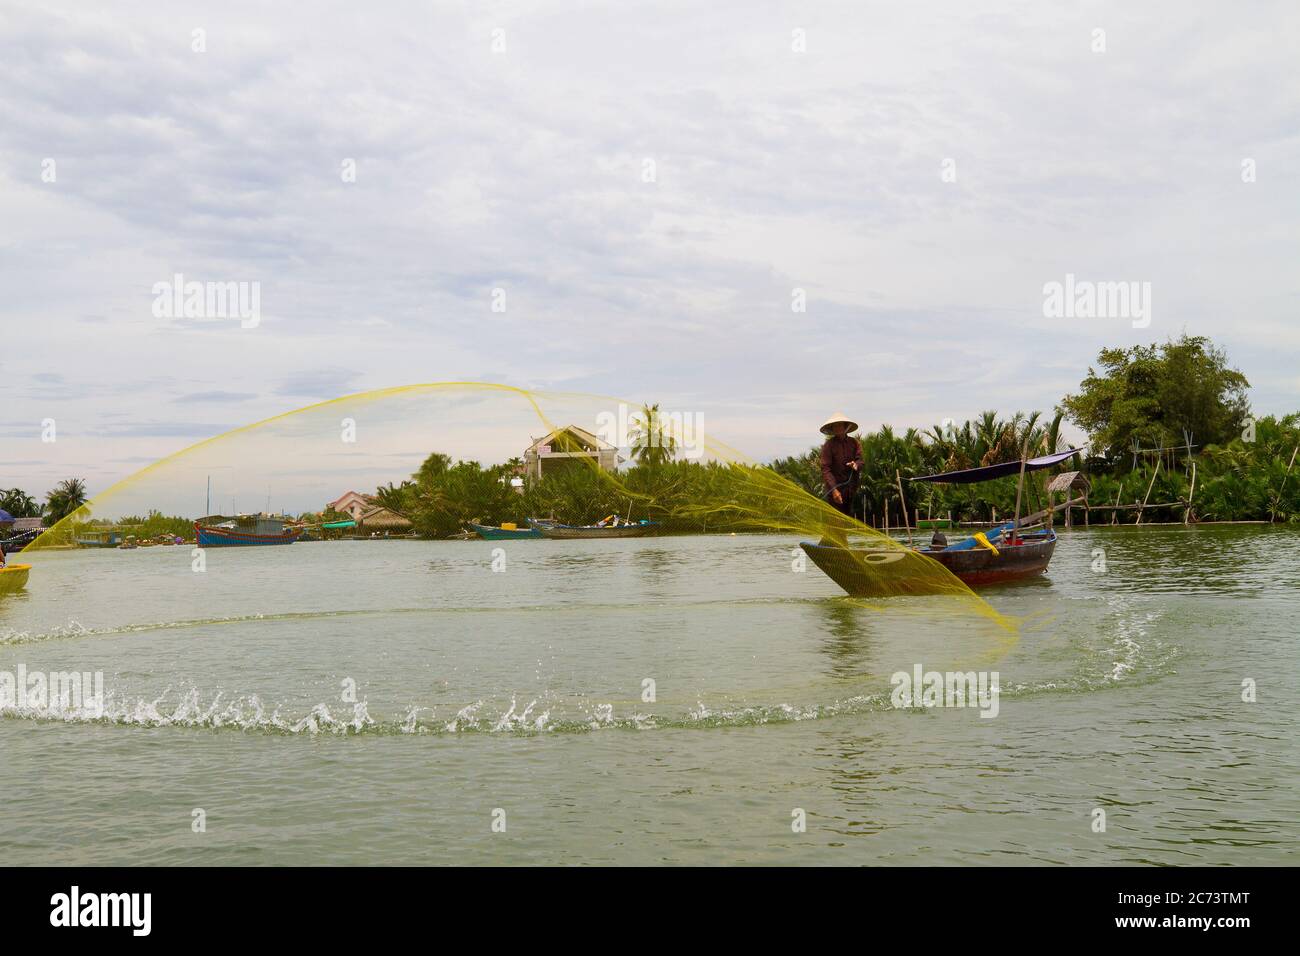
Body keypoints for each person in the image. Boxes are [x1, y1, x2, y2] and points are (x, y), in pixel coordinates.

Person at [819, 412, 864, 516]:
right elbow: (826, 469)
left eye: (840, 425)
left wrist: (855, 465)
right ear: (832, 429)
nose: (838, 428)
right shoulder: (828, 446)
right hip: (835, 491)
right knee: (835, 523)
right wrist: (834, 490)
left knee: (846, 520)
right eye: (835, 426)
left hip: (851, 490)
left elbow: (860, 460)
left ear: (845, 426)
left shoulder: (854, 443)